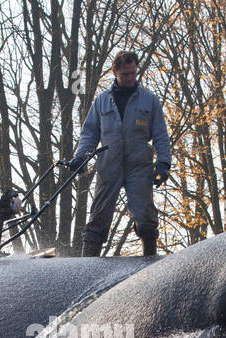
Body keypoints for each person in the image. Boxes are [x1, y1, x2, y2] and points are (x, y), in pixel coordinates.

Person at [66, 51, 171, 257]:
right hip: (109, 166)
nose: (130, 78)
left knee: (146, 217)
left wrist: (163, 164)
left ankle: (149, 263)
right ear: (114, 72)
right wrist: (81, 157)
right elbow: (89, 134)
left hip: (139, 166)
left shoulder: (149, 100)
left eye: (133, 73)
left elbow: (160, 135)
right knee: (98, 218)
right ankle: (86, 267)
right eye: (125, 74)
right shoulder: (102, 102)